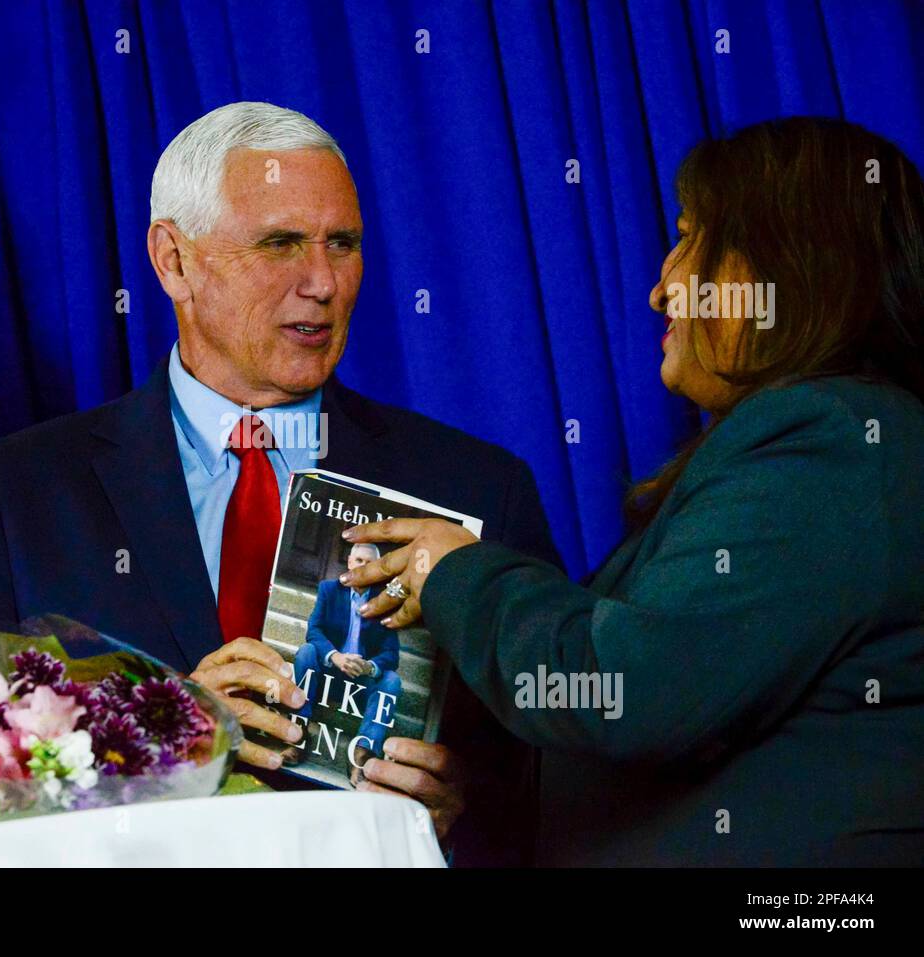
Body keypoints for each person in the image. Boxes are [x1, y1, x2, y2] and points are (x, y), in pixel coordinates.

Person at [0, 102, 560, 861]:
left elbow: (564, 768)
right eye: (282, 243)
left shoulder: (477, 486)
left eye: (344, 243)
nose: (323, 282)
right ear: (174, 261)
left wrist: (467, 801)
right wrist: (157, 744)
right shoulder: (18, 494)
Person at [342, 116, 924, 866]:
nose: (661, 289)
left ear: (780, 266)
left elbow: (617, 688)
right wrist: (466, 792)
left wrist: (449, 568)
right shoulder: (829, 440)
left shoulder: (832, 439)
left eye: (689, 238)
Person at [291, 543, 403, 785]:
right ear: (350, 562)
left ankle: (362, 754)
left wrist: (369, 667)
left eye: (369, 563)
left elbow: (391, 653)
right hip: (326, 677)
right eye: (359, 560)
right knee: (307, 652)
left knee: (391, 680)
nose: (363, 566)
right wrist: (335, 656)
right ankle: (299, 733)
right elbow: (314, 630)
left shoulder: (385, 601)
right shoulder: (329, 590)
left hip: (360, 685)